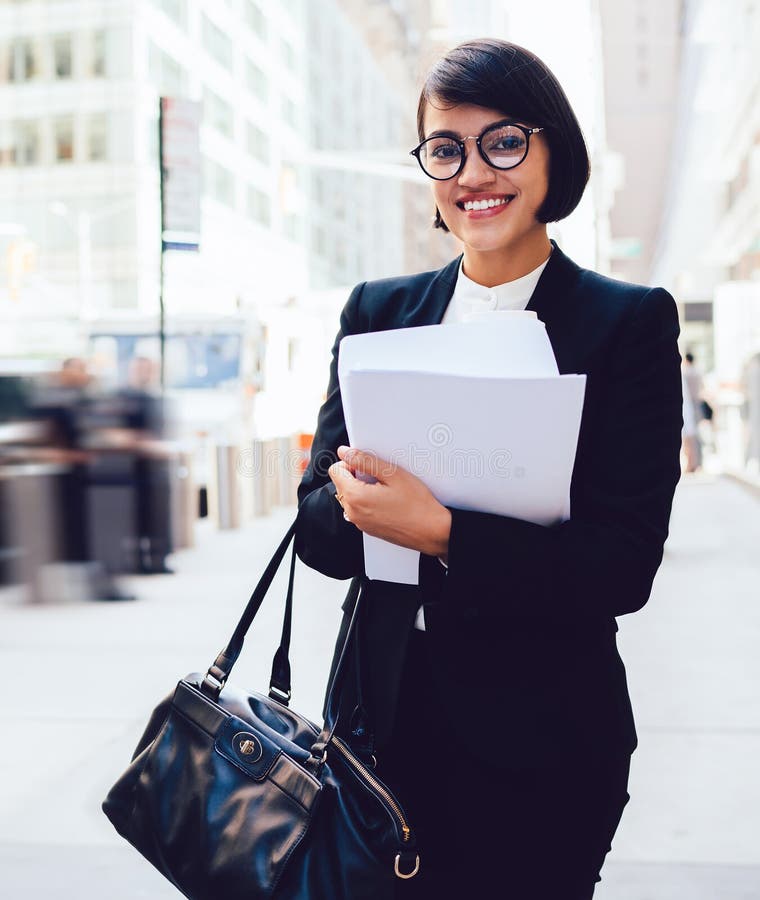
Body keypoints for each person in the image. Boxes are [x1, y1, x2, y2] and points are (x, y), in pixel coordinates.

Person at [295, 39, 683, 899]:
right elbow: (315, 526)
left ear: (554, 155)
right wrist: (357, 506)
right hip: (378, 737)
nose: (476, 172)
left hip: (544, 746)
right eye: (447, 149)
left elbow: (621, 564)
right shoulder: (379, 313)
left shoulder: (627, 327)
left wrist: (438, 530)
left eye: (504, 141)